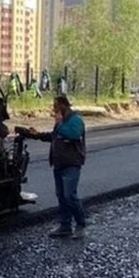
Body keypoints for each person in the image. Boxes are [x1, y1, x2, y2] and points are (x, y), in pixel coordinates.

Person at [27, 95, 87, 239]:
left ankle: (81, 224)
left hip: (71, 163)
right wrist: (36, 135)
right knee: (61, 196)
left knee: (69, 196)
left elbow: (73, 134)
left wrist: (59, 124)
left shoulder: (76, 120)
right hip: (59, 163)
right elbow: (54, 136)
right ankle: (65, 226)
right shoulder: (61, 122)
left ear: (63, 105)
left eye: (55, 106)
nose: (53, 109)